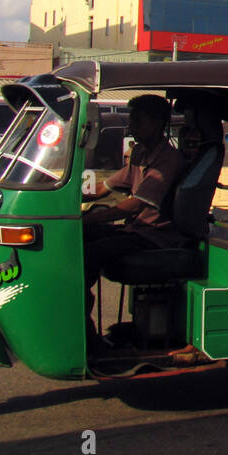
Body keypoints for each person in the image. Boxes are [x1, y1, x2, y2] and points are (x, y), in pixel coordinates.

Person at [82, 94, 186, 345]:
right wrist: (64, 193)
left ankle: (86, 330)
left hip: (155, 236)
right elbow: (106, 186)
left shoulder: (168, 159)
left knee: (90, 253)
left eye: (138, 120)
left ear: (158, 122)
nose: (131, 126)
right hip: (136, 231)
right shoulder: (139, 152)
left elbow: (134, 205)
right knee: (79, 238)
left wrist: (91, 219)